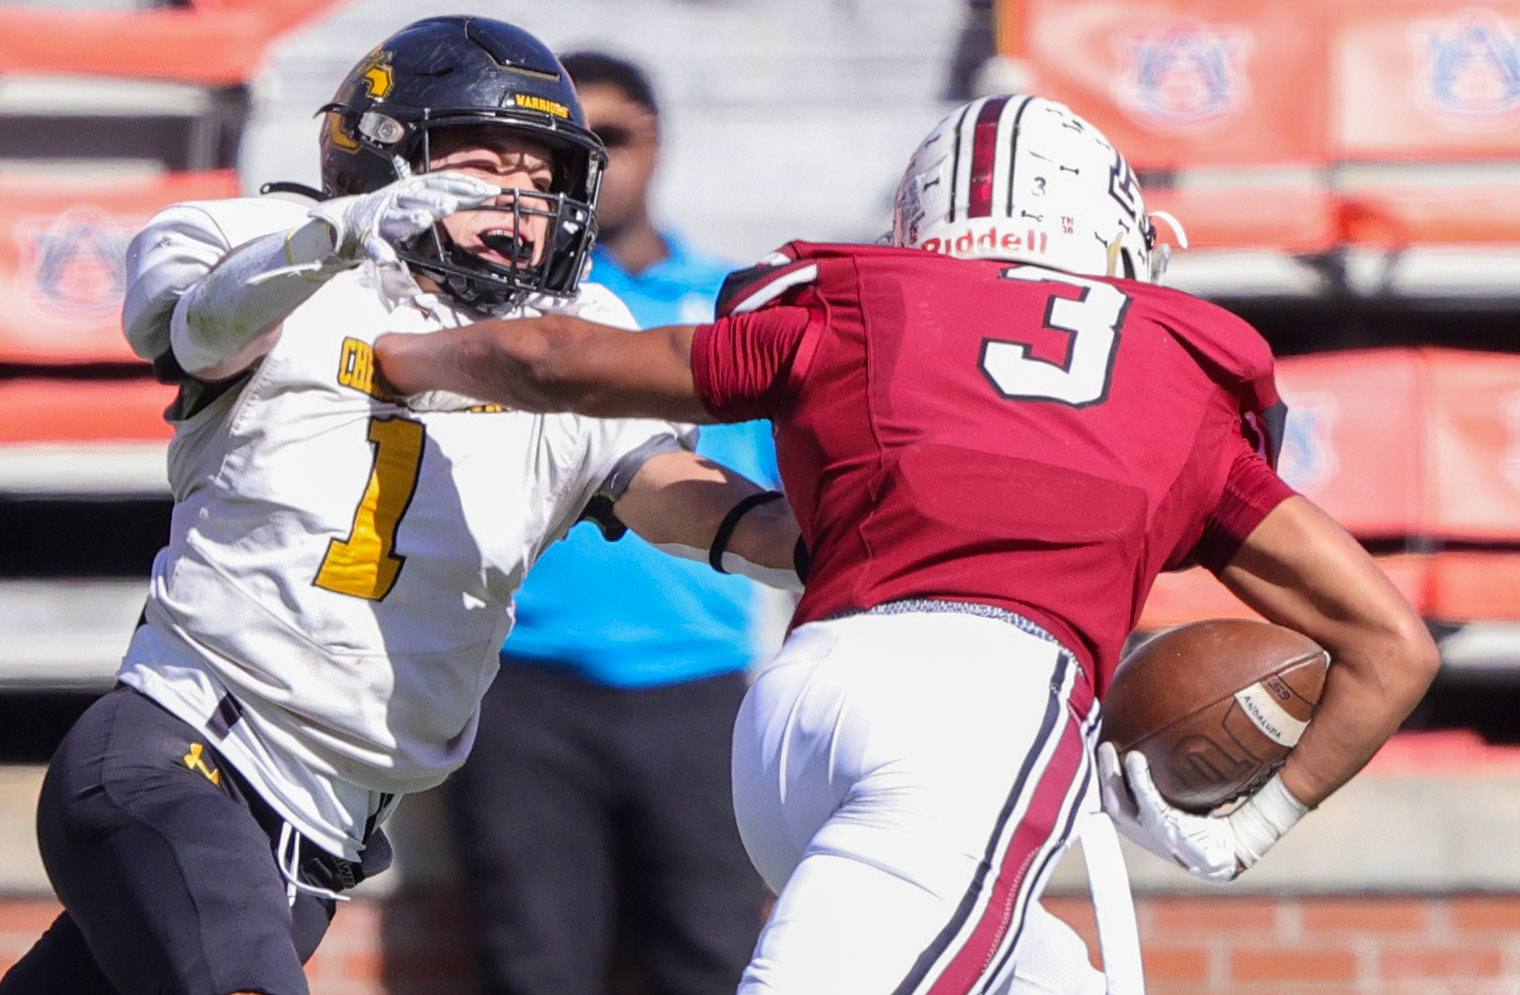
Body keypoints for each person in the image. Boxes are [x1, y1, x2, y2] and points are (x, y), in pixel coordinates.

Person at [373, 92, 1441, 994]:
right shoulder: (1170, 379)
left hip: (791, 718)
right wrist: (1240, 831)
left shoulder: (854, 307)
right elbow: (1392, 644)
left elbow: (559, 360)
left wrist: (389, 351)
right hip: (977, 713)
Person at [0, 17, 799, 995]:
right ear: (384, 158)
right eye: (480, 166)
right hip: (182, 755)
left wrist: (826, 544)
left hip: (318, 839)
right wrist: (334, 236)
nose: (517, 198)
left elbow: (672, 494)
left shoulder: (574, 328)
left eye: (541, 175)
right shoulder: (266, 249)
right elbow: (198, 330)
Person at [442, 51, 772, 995]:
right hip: (520, 688)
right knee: (531, 969)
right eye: (567, 146)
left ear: (658, 144)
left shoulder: (735, 308)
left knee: (715, 962)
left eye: (612, 138)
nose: (596, 163)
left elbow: (795, 496)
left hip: (701, 687)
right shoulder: (489, 309)